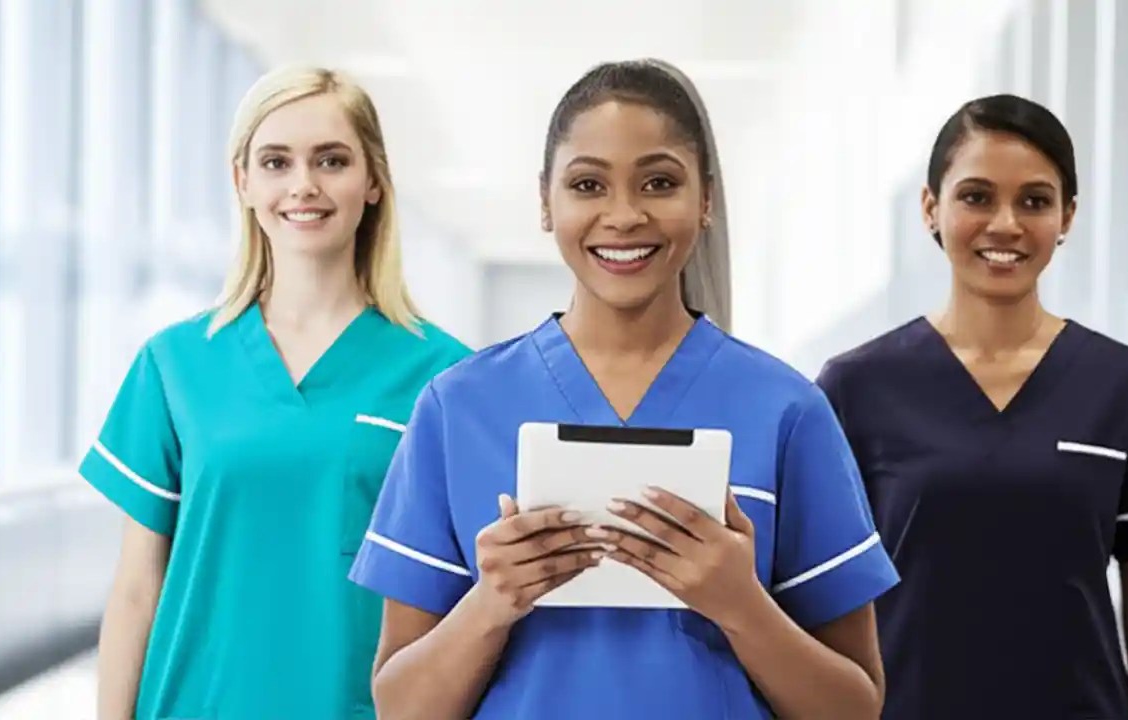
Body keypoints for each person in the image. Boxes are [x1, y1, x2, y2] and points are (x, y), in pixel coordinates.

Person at [349, 59, 898, 720]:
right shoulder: (457, 408)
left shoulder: (787, 411)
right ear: (546, 202)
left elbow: (855, 707)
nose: (624, 214)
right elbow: (400, 708)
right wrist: (491, 604)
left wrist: (739, 604)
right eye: (587, 184)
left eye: (659, 182)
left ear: (706, 201)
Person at [81, 66, 469, 720]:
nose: (303, 185)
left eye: (331, 160)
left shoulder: (447, 377)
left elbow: (458, 599)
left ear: (373, 181)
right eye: (276, 162)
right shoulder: (176, 363)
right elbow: (136, 590)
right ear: (244, 182)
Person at [817, 94, 1128, 719]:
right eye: (976, 196)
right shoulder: (855, 389)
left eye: (1034, 201)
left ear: (1067, 217)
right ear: (932, 208)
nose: (1005, 224)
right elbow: (823, 607)